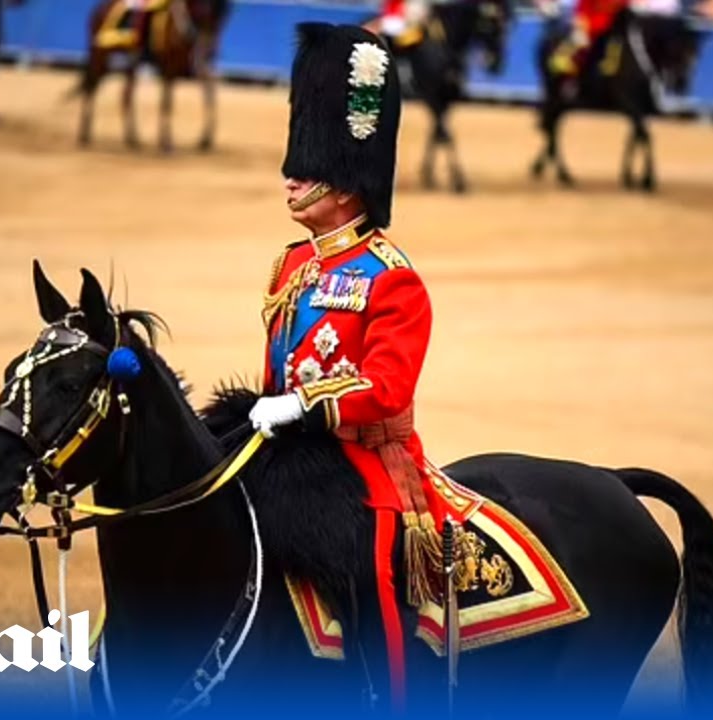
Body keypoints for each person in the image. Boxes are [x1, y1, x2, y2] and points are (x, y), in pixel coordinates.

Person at [247, 22, 459, 712]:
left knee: (367, 555)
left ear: (347, 184)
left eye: (306, 169)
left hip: (369, 464)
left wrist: (303, 407)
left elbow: (386, 389)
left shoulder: (393, 279)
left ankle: (388, 694)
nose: (290, 177)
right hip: (289, 453)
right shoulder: (291, 265)